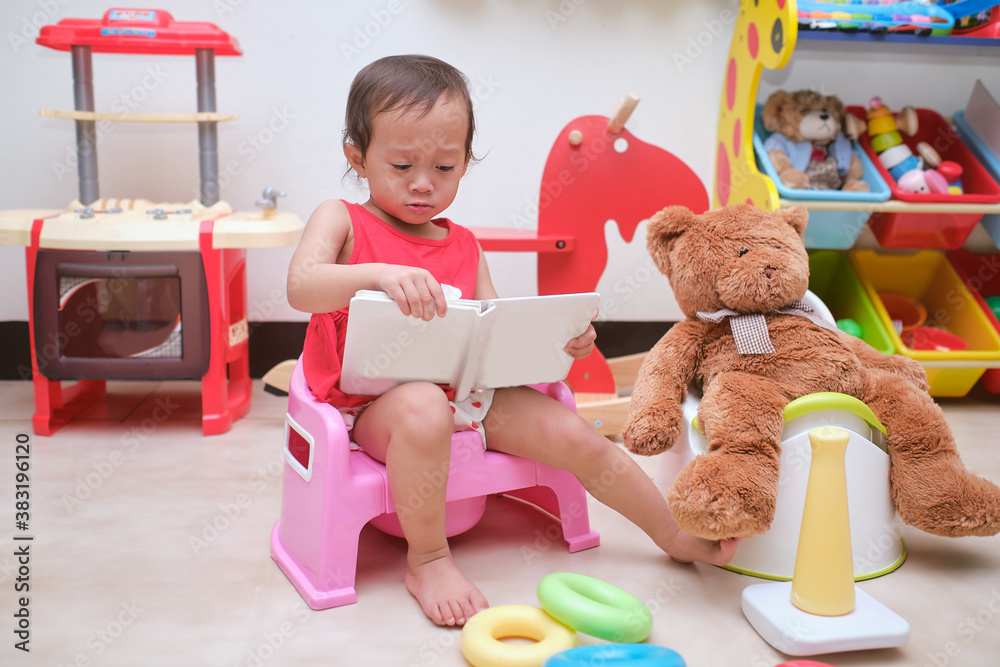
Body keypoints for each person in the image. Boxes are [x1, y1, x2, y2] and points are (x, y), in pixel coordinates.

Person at [287, 54, 738, 627]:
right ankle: (426, 560)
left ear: (465, 163)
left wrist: (560, 343)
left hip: (465, 393)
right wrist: (377, 276)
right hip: (370, 408)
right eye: (401, 165)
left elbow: (491, 330)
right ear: (358, 156)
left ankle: (671, 532)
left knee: (573, 431)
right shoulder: (343, 220)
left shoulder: (465, 244)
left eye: (445, 167)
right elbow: (302, 287)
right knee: (423, 405)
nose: (423, 183)